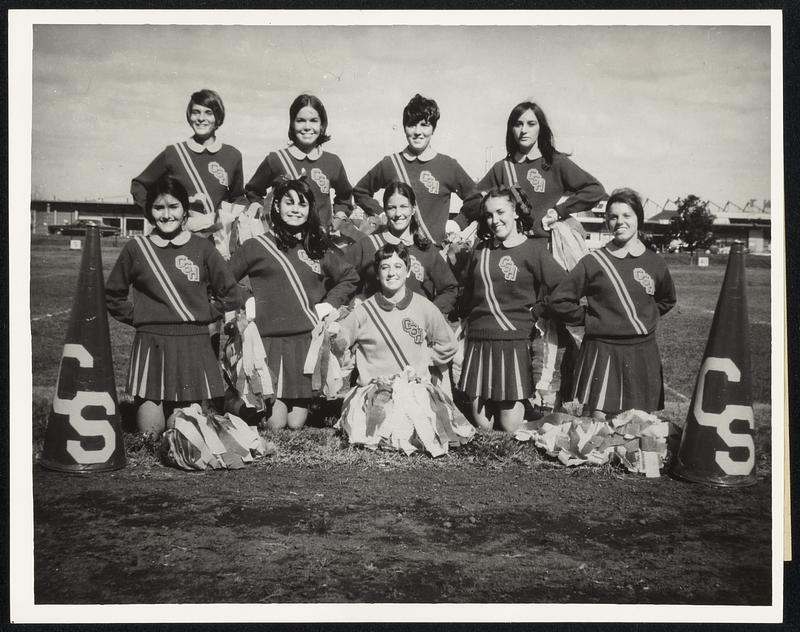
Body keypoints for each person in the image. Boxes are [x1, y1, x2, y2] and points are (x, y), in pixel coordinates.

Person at [475, 100, 608, 411]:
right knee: (524, 323)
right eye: (518, 124)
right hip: (514, 256)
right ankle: (522, 393)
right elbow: (475, 199)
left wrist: (559, 211)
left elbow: (595, 189)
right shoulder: (502, 168)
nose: (524, 130)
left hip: (547, 254)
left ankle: (559, 395)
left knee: (556, 322)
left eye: (531, 123)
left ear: (541, 128)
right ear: (510, 128)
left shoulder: (555, 164)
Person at [106, 175, 243, 435]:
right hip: (151, 341)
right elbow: (113, 294)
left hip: (192, 340)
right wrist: (139, 317)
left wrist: (205, 313)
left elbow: (231, 294)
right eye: (159, 208)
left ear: (184, 212)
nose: (166, 215)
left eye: (173, 207)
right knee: (151, 433)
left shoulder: (202, 248)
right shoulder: (137, 248)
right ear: (149, 212)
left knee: (183, 431)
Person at [229, 177, 359, 431]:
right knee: (275, 424)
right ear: (276, 206)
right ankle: (231, 401)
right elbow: (222, 280)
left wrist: (329, 304)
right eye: (289, 202)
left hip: (303, 344)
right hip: (269, 343)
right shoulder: (256, 245)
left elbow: (350, 276)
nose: (296, 209)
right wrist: (246, 299)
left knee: (296, 423)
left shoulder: (317, 247)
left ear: (310, 210)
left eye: (302, 204)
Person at [329, 243, 475, 456]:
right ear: (377, 274)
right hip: (376, 392)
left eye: (398, 266)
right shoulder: (365, 310)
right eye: (385, 267)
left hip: (414, 390)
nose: (391, 272)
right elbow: (342, 340)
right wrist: (333, 332)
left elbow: (448, 344)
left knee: (417, 431)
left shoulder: (424, 305)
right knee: (379, 434)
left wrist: (425, 359)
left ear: (408, 272)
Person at [549, 188, 676, 418]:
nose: (620, 222)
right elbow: (560, 300)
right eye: (613, 216)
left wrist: (642, 316)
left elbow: (667, 299)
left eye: (627, 216)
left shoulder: (654, 262)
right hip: (602, 351)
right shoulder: (593, 262)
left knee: (638, 425)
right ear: (607, 221)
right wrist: (591, 318)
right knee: (600, 428)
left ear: (638, 219)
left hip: (642, 352)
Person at [457, 186, 566, 432]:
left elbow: (563, 287)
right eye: (488, 215)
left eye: (501, 212)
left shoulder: (534, 250)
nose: (495, 220)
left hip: (513, 342)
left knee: (509, 428)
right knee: (484, 425)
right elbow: (466, 292)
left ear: (515, 212)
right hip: (480, 342)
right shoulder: (480, 250)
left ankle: (541, 417)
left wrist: (538, 311)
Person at [352, 93, 480, 245]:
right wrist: (381, 214)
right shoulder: (391, 163)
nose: (418, 132)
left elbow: (477, 200)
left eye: (424, 125)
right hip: (398, 255)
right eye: (412, 124)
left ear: (433, 129)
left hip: (434, 253)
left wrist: (458, 223)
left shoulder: (448, 165)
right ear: (404, 127)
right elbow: (360, 191)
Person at [131, 89, 246, 243]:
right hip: (180, 237)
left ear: (218, 118)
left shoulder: (233, 155)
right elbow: (139, 186)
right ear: (189, 116)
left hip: (218, 241)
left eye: (208, 113)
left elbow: (237, 198)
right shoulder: (174, 153)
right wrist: (159, 216)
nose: (201, 118)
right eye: (196, 112)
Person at [346, 181, 458, 316]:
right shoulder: (368, 245)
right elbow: (340, 277)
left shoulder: (427, 250)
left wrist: (430, 314)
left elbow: (450, 289)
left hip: (413, 330)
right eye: (392, 208)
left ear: (413, 209)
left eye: (404, 206)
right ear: (385, 210)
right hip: (374, 329)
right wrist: (355, 301)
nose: (398, 213)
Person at [245, 93, 354, 232]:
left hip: (319, 242)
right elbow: (253, 191)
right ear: (292, 123)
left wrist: (338, 217)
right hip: (282, 241)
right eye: (300, 120)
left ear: (322, 125)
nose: (307, 126)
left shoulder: (333, 162)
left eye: (314, 120)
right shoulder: (276, 159)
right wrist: (264, 215)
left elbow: (345, 197)